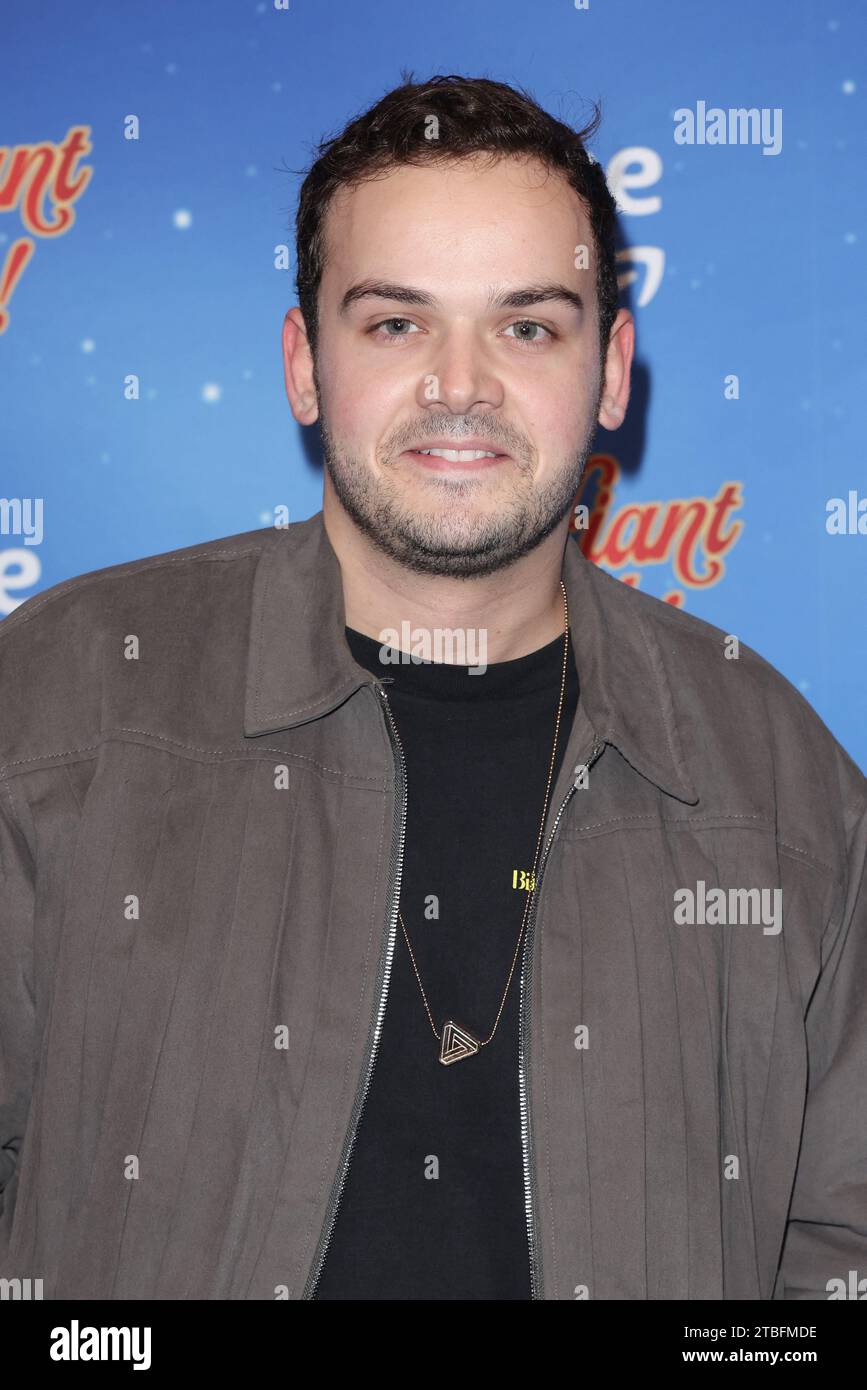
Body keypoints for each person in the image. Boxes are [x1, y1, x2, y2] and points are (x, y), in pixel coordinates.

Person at [1, 74, 865, 1302]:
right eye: (396, 323)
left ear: (612, 371)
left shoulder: (776, 778)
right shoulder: (63, 696)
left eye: (528, 326)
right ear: (305, 366)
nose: (459, 387)